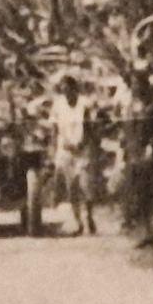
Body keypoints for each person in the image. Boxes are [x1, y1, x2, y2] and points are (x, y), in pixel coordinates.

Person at [120, 65, 153, 249]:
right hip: (135, 154)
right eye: (132, 84)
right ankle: (147, 234)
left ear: (144, 85)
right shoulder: (130, 106)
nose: (135, 87)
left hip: (151, 155)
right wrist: (125, 148)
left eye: (137, 84)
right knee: (139, 194)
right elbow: (127, 130)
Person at [51, 73, 99, 236]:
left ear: (74, 89)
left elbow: (90, 127)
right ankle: (78, 222)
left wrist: (86, 144)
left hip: (82, 149)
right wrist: (54, 148)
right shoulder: (58, 105)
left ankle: (89, 217)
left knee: (86, 186)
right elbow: (55, 128)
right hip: (65, 150)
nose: (66, 94)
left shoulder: (84, 104)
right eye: (63, 91)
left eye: (69, 90)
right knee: (71, 188)